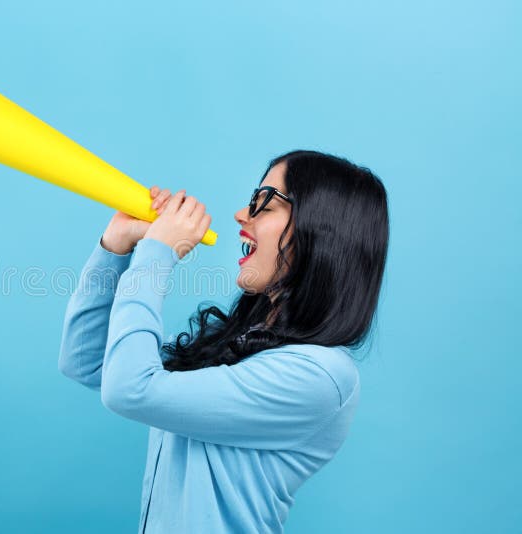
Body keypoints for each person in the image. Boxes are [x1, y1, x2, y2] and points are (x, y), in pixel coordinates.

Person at [58, 149, 389, 533]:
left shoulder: (321, 376)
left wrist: (158, 253)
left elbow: (129, 390)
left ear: (322, 228)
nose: (241, 215)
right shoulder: (238, 347)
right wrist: (116, 246)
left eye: (264, 203)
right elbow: (86, 361)